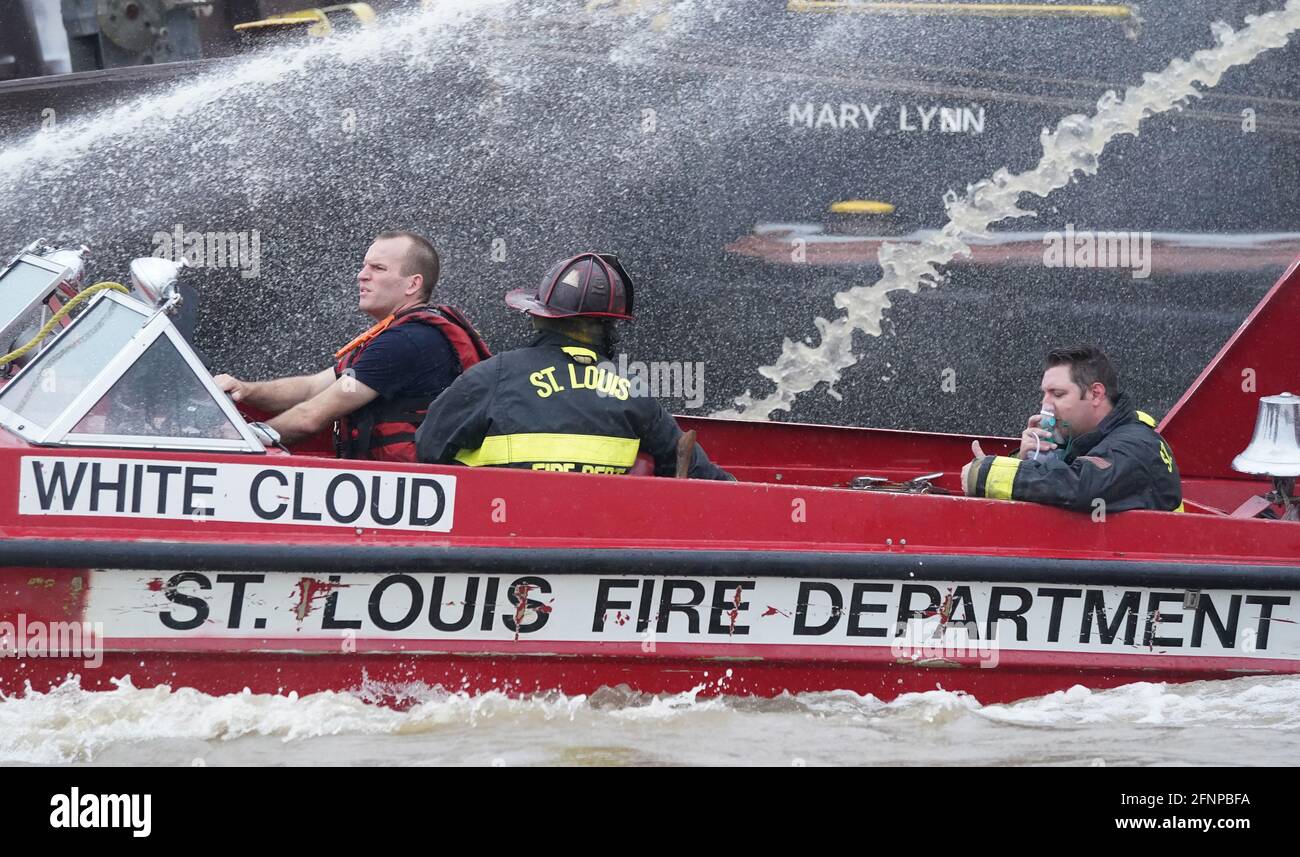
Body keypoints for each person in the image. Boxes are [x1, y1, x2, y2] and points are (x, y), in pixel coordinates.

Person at [415, 252, 734, 480]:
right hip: (599, 541)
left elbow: (427, 448)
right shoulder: (632, 391)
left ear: (538, 316)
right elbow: (697, 472)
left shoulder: (493, 376)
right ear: (610, 327)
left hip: (500, 539)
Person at [215, 231, 489, 461]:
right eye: (364, 265)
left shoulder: (406, 342)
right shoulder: (399, 335)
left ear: (413, 284)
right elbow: (311, 388)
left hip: (402, 489)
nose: (361, 275)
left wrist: (242, 439)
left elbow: (310, 416)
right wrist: (246, 390)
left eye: (377, 268)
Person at [962, 344, 1183, 513]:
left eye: (1058, 394)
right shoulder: (1090, 439)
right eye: (1044, 394)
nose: (1045, 406)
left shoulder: (1136, 445)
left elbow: (1079, 484)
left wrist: (987, 474)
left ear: (1095, 394)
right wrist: (1029, 458)